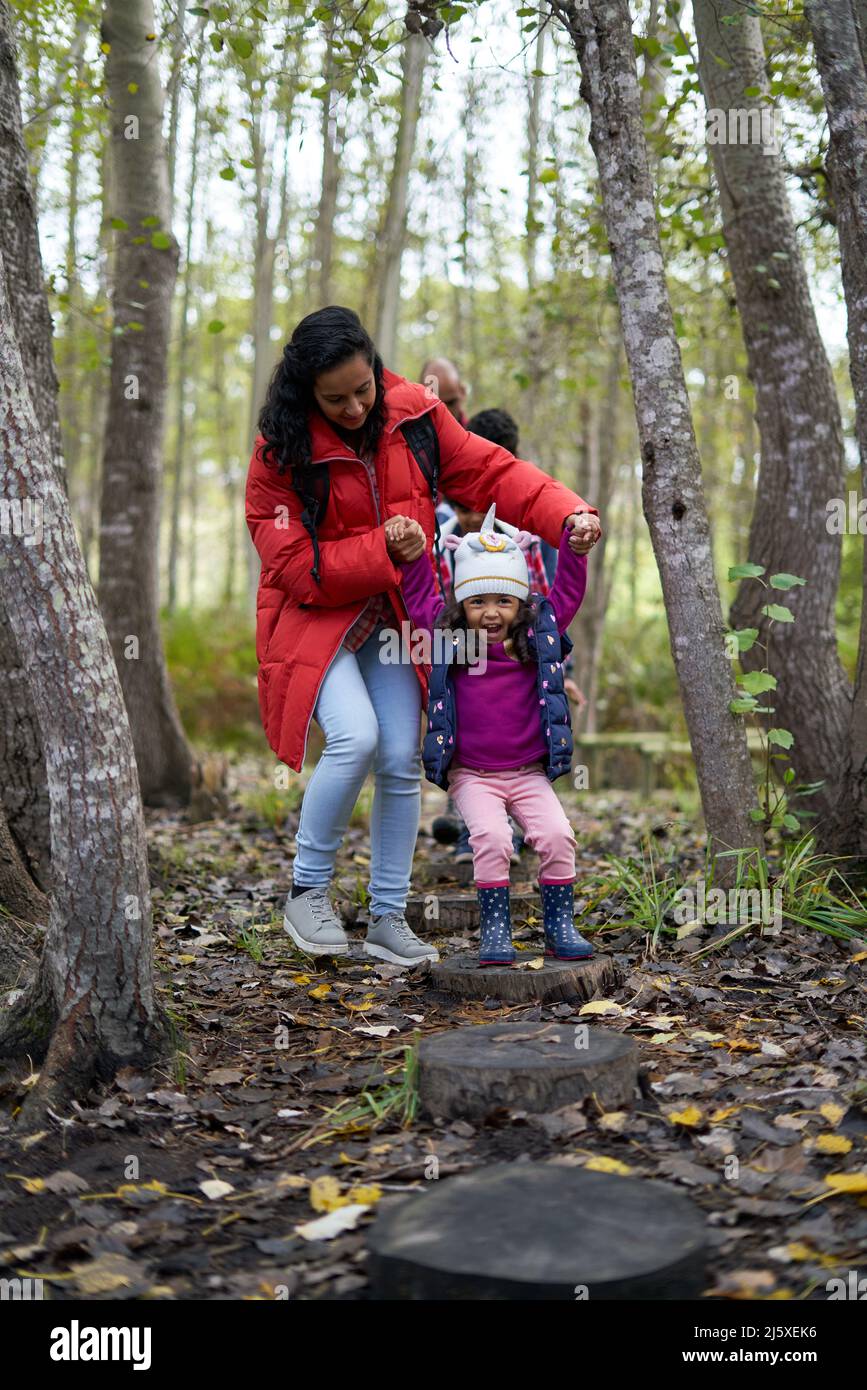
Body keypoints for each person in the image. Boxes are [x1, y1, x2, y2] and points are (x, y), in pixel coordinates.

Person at [245, 306, 601, 966]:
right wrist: (383, 547)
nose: (353, 407)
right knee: (355, 737)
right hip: (315, 612)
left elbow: (492, 473)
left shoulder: (414, 417)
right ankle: (305, 891)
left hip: (398, 615)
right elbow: (291, 566)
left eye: (362, 389)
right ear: (305, 393)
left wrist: (566, 512)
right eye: (335, 399)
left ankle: (386, 914)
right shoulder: (278, 454)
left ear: (376, 371)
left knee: (402, 755)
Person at [395, 503, 595, 966]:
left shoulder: (537, 638)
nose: (490, 613)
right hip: (473, 775)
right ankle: (496, 930)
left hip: (528, 774)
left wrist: (574, 547)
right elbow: (421, 595)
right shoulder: (449, 640)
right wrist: (411, 558)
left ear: (521, 603)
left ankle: (559, 926)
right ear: (461, 605)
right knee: (492, 838)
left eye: (503, 601)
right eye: (477, 602)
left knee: (558, 836)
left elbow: (567, 592)